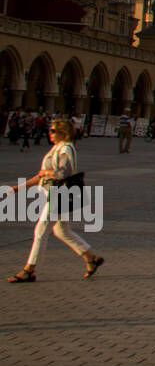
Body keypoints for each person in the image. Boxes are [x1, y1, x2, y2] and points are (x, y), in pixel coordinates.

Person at [7, 118, 104, 283]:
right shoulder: (57, 148)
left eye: (52, 130)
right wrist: (20, 187)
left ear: (62, 132)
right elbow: (40, 174)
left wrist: (46, 173)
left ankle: (29, 269)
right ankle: (91, 258)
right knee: (61, 231)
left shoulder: (66, 148)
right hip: (53, 195)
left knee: (41, 230)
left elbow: (61, 174)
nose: (49, 133)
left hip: (58, 195)